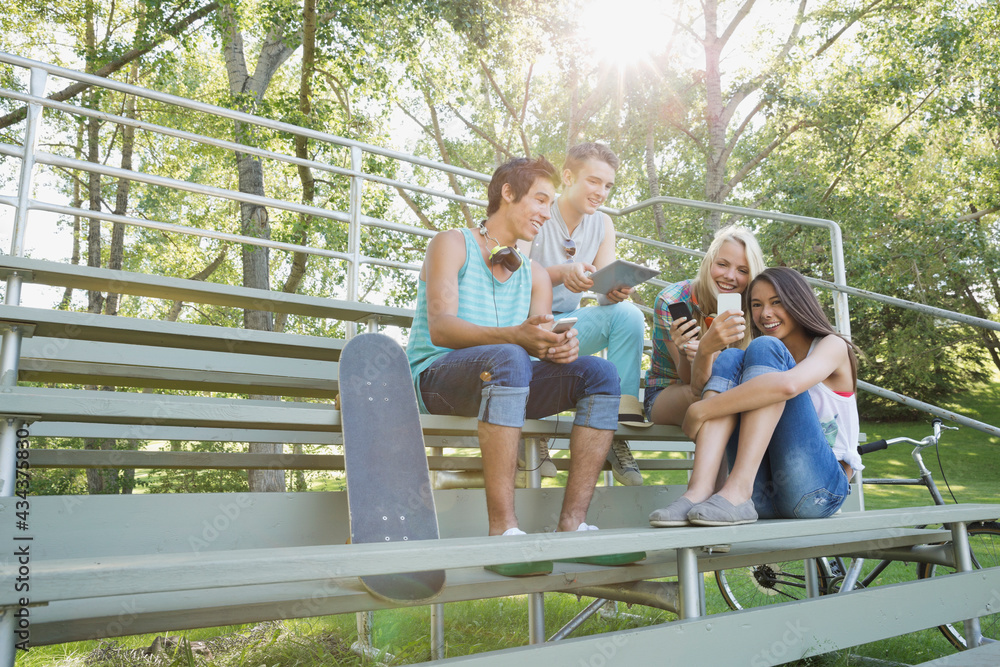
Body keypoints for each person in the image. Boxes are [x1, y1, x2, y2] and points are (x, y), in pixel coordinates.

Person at [407, 155, 622, 539]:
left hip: (504, 380)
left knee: (600, 373)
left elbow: (535, 340)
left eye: (549, 203)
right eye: (540, 200)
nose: (546, 212)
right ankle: (503, 529)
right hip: (437, 381)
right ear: (507, 192)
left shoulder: (536, 274)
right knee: (509, 356)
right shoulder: (450, 243)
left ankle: (572, 525)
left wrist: (559, 346)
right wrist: (517, 338)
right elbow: (441, 329)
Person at [649, 267, 863, 527]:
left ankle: (737, 490)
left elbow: (787, 386)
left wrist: (701, 410)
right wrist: (702, 351)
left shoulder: (832, 345)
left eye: (777, 302)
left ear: (798, 301)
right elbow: (701, 385)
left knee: (764, 347)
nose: (765, 314)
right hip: (762, 496)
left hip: (819, 493)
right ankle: (700, 492)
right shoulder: (759, 360)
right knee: (730, 356)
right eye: (756, 305)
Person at [521, 142, 646, 486]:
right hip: (525, 320)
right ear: (568, 176)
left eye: (608, 186)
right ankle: (529, 430)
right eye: (594, 181)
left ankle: (616, 431)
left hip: (570, 322)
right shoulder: (538, 212)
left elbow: (603, 289)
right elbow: (516, 279)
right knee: (542, 326)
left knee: (629, 315)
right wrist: (561, 272)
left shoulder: (603, 224)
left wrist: (616, 289)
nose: (601, 192)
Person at [644, 226, 765, 427]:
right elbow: (689, 380)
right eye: (722, 264)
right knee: (710, 397)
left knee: (730, 397)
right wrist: (686, 352)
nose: (730, 276)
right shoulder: (672, 301)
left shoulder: (755, 304)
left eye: (742, 270)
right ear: (709, 262)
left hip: (732, 390)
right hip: (671, 391)